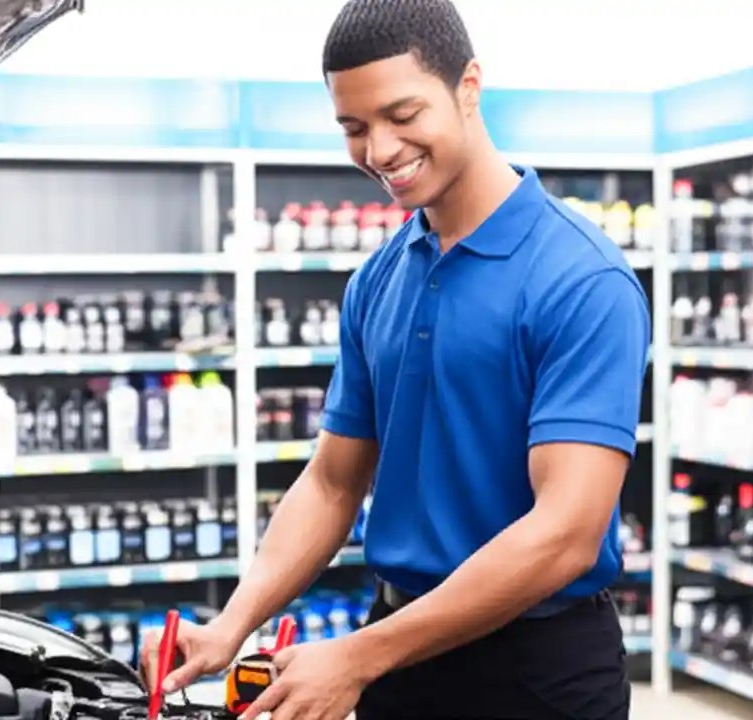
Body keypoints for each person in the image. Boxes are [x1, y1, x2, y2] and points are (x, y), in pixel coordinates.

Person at [140, 1, 651, 718]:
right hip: (402, 656)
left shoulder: (581, 279)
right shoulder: (378, 279)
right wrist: (231, 624)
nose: (378, 150)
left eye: (401, 114)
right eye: (354, 127)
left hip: (540, 673)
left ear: (468, 87)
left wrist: (355, 657)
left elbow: (564, 533)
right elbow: (330, 484)